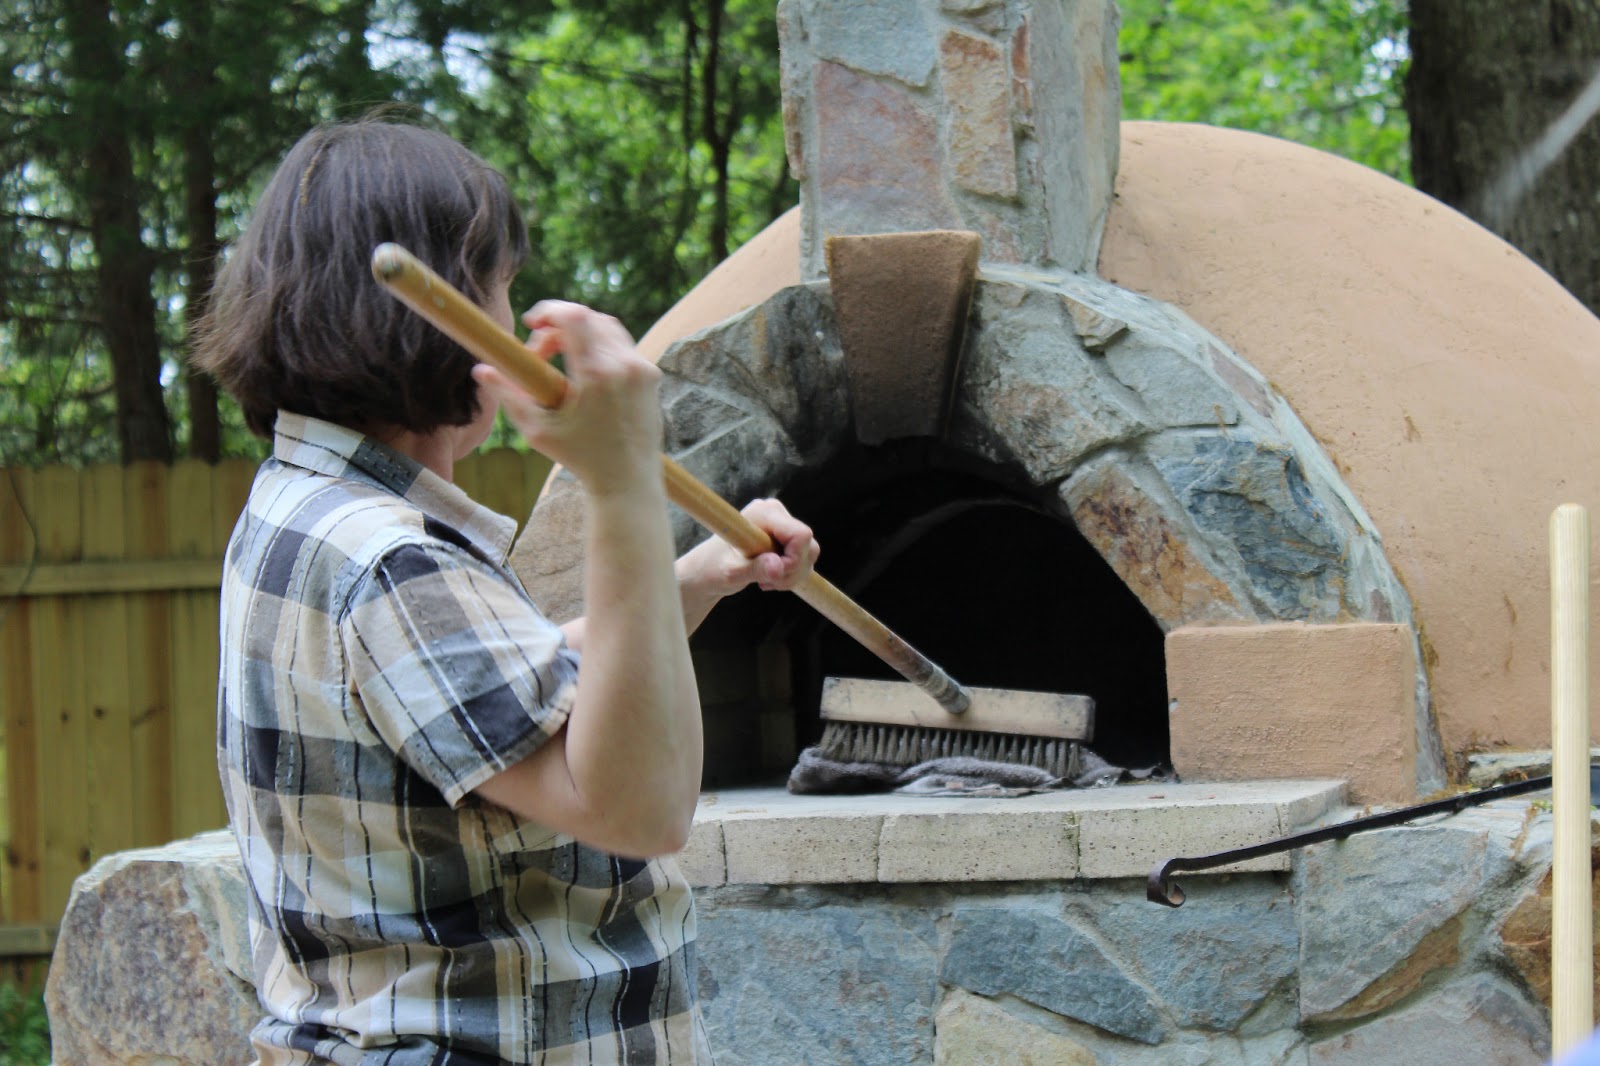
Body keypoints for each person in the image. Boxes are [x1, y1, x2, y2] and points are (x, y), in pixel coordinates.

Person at [192, 116, 818, 1065]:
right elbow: (642, 808)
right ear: (440, 317)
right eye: (499, 284)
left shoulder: (301, 510)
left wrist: (690, 580)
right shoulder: (395, 558)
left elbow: (493, 699)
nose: (509, 305)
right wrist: (620, 488)